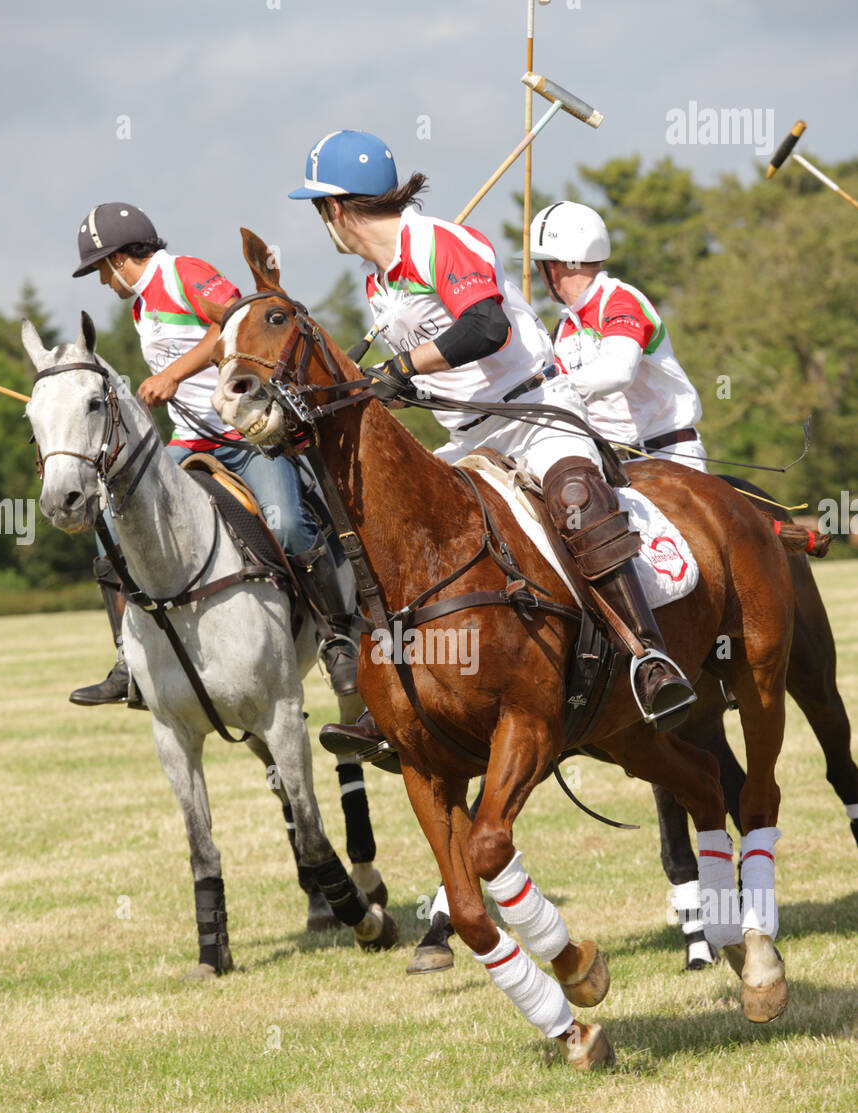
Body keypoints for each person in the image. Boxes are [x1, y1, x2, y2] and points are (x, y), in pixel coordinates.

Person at [286, 131, 695, 760]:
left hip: (537, 413)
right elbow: (435, 369)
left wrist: (408, 363)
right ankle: (389, 693)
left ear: (335, 209)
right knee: (387, 525)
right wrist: (397, 385)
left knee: (577, 498)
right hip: (469, 435)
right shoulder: (378, 284)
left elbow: (486, 325)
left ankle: (650, 658)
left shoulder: (439, 243)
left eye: (321, 211)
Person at [68, 202, 358, 704]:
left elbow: (235, 321)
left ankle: (337, 639)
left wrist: (173, 373)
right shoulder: (141, 305)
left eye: (100, 270)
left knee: (287, 525)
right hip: (189, 443)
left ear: (118, 258)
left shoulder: (183, 273)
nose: (103, 284)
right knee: (115, 522)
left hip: (249, 442)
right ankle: (128, 662)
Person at [531, 201, 708, 471]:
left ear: (552, 267)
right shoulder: (564, 328)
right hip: (611, 465)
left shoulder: (620, 301)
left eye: (538, 264)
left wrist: (548, 392)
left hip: (669, 459)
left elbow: (618, 371)